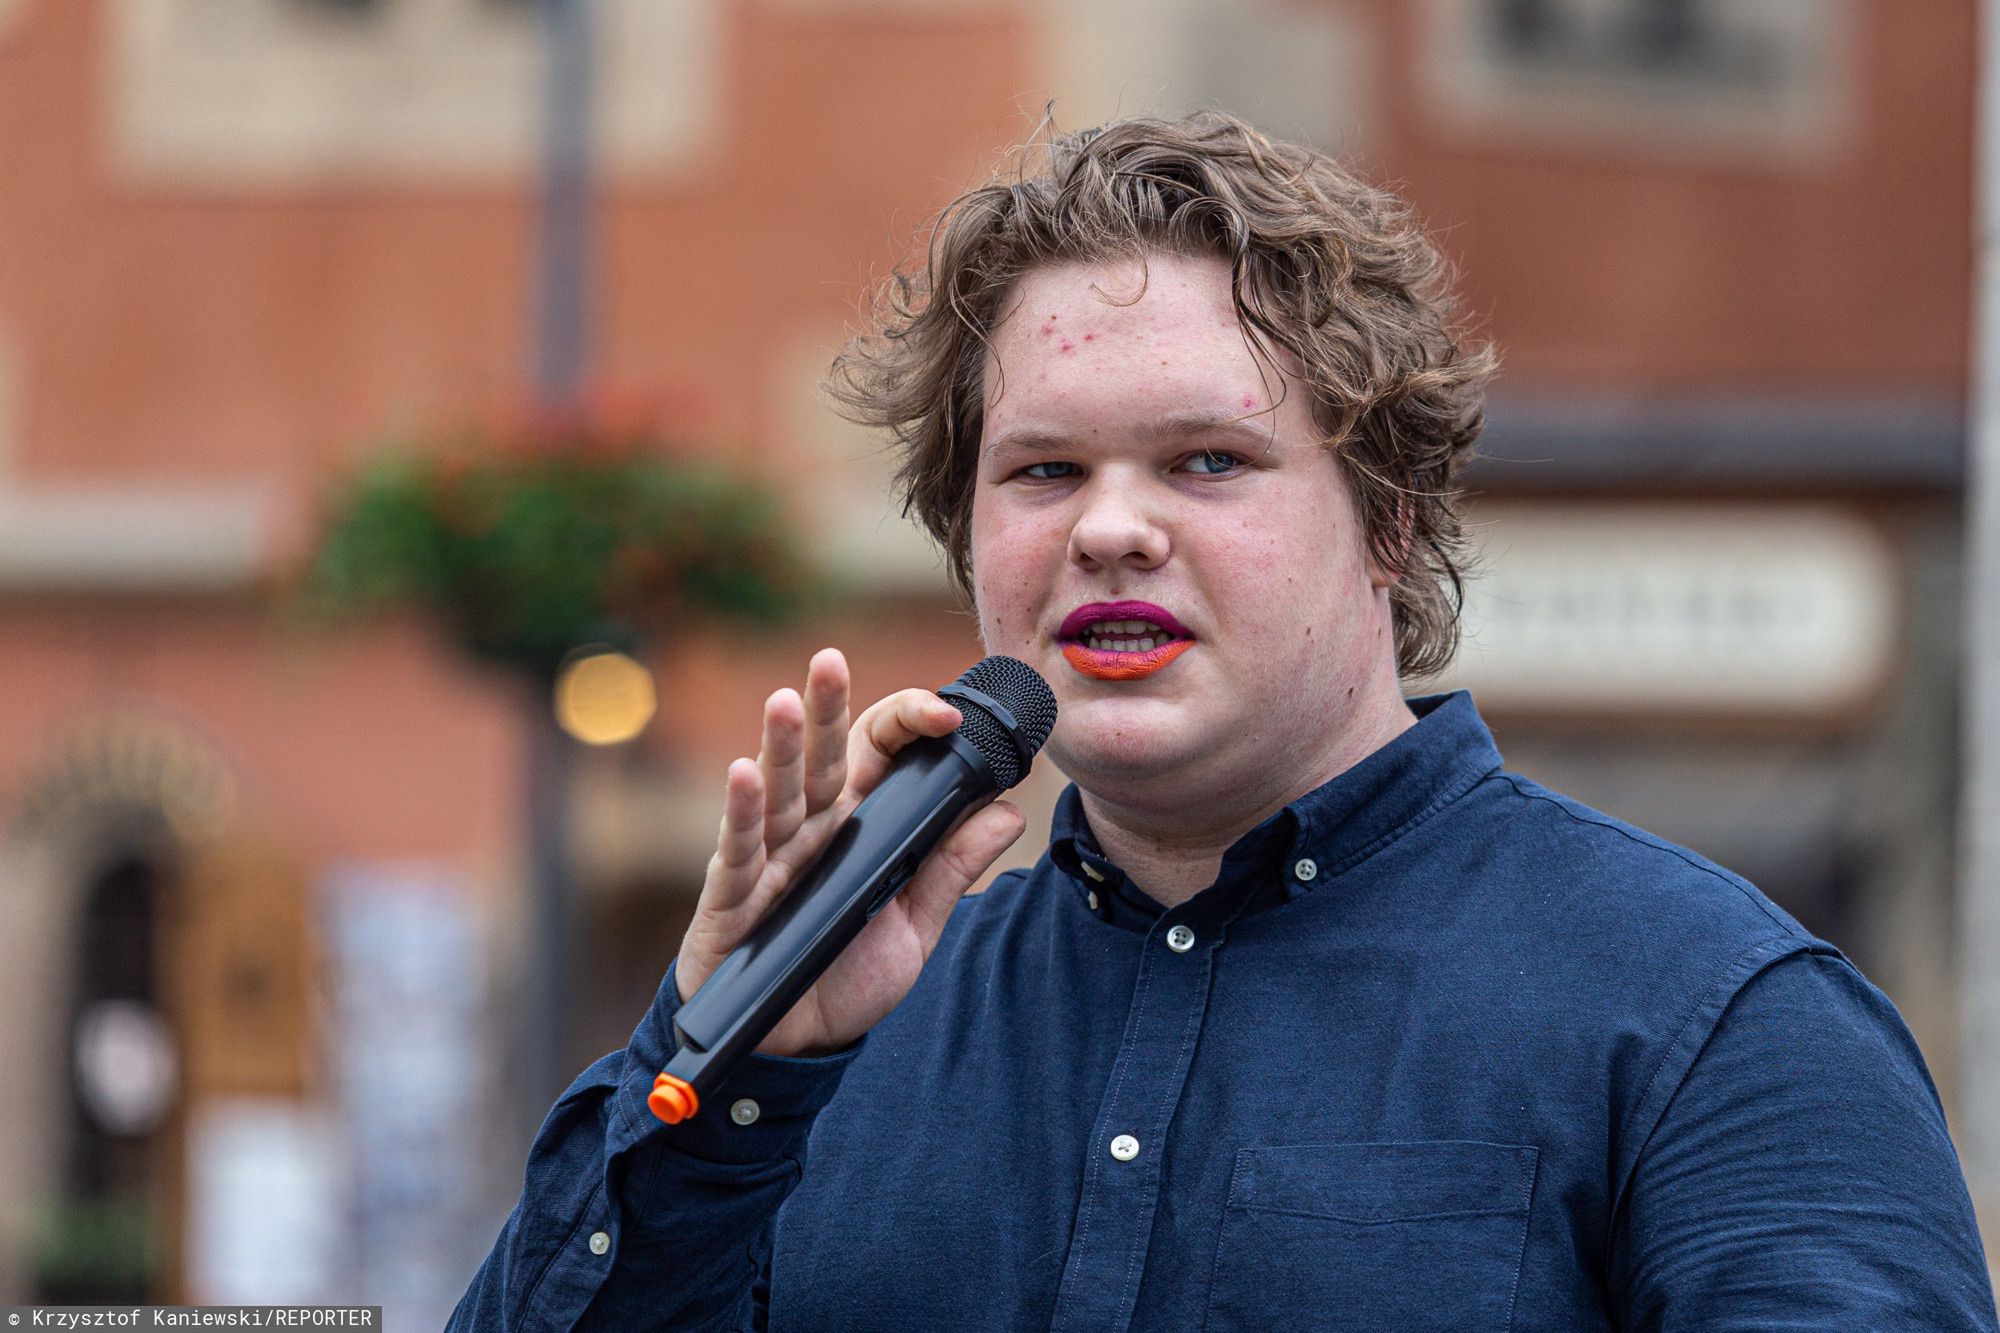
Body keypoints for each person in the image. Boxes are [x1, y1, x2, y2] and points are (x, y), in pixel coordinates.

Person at [450, 112, 1997, 1330]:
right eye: (1044, 471)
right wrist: (719, 1053)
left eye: (1207, 461)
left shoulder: (1718, 1017)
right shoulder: (822, 1040)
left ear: (1387, 518)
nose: (1110, 528)